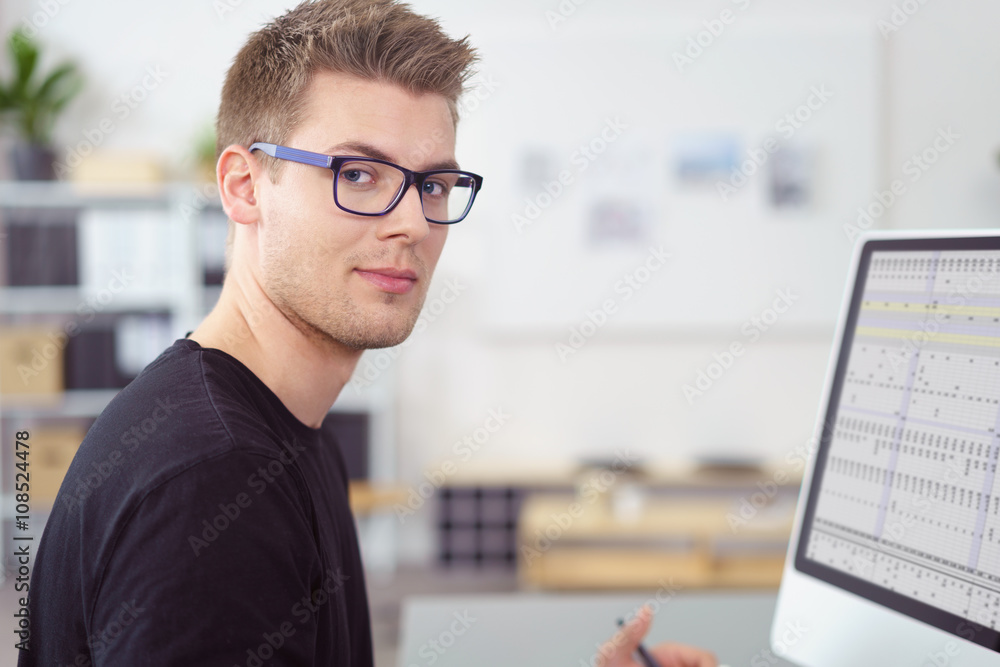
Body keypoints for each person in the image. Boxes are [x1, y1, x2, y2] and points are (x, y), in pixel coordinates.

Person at [19, 1, 717, 665]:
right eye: (357, 174)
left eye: (433, 185)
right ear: (244, 187)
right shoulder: (215, 481)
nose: (411, 223)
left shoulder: (290, 431)